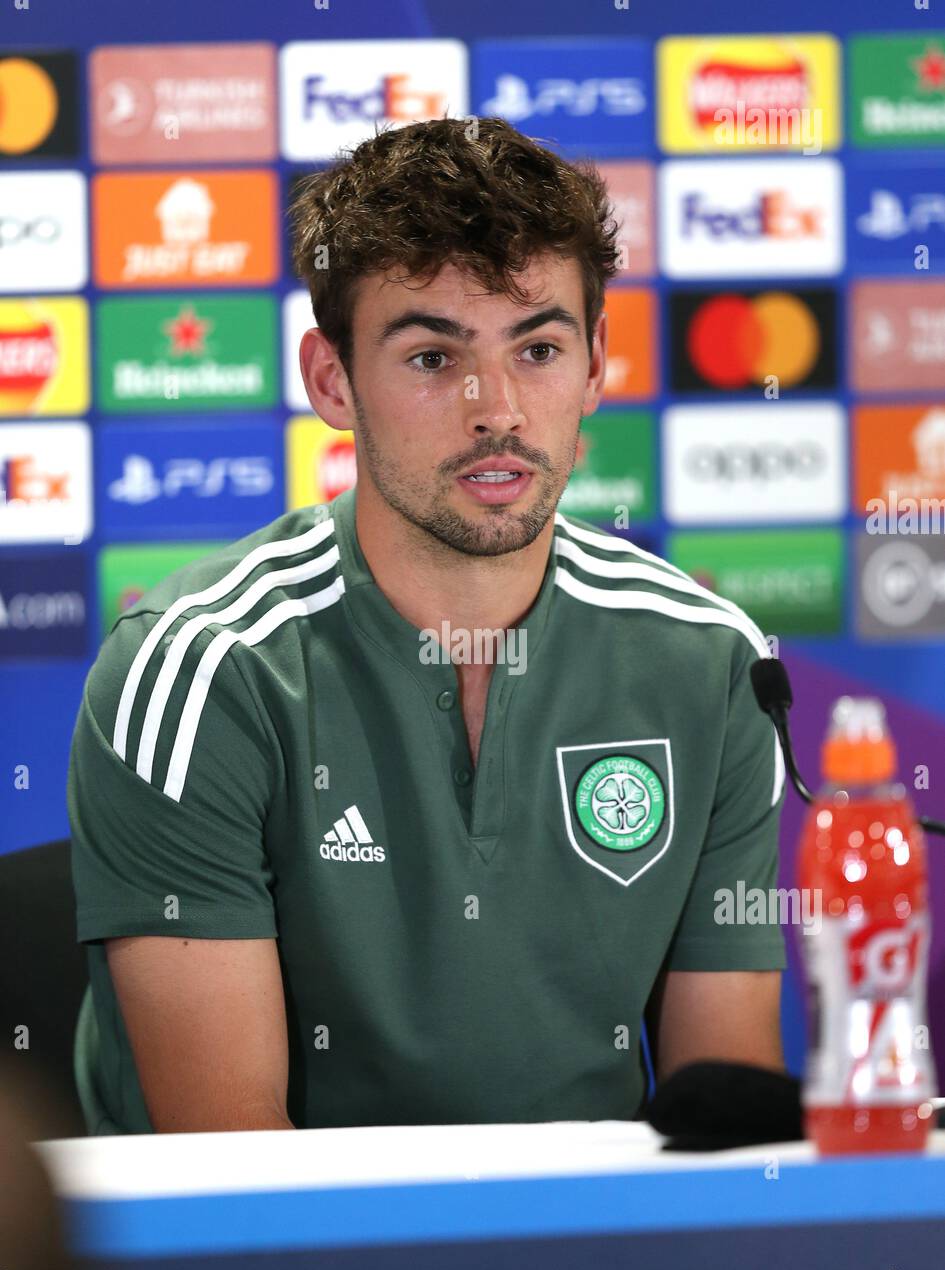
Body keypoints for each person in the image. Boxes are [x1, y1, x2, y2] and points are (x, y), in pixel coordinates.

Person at [68, 116, 787, 1135]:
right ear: (332, 381)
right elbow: (230, 1175)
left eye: (537, 348)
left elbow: (726, 1132)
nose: (495, 408)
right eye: (431, 357)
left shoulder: (718, 666)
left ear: (593, 372)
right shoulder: (199, 668)